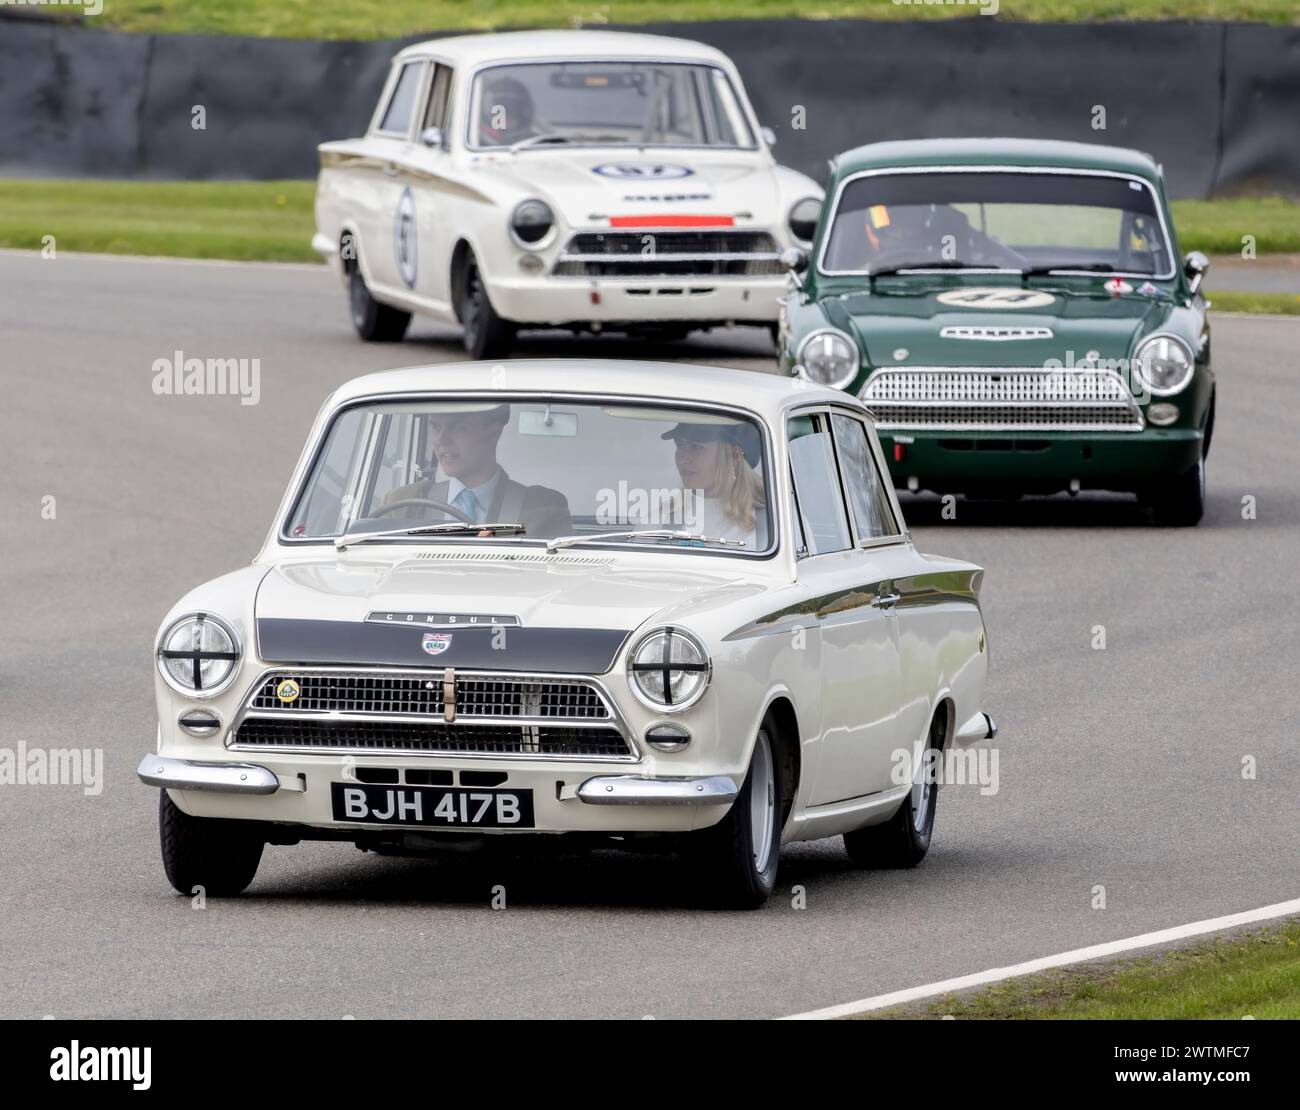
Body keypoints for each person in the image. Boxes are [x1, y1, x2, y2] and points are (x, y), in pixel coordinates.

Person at [382, 405, 571, 538]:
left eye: (458, 427)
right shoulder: (403, 504)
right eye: (436, 427)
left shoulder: (541, 509)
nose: (441, 439)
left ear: (493, 433)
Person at [659, 421, 767, 549]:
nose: (683, 459)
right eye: (679, 445)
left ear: (735, 455)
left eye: (696, 447)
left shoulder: (775, 524)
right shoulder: (660, 521)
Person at [477, 75, 540, 147]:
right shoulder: (476, 139)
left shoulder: (537, 142)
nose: (505, 116)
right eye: (499, 109)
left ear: (524, 114)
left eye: (512, 110)